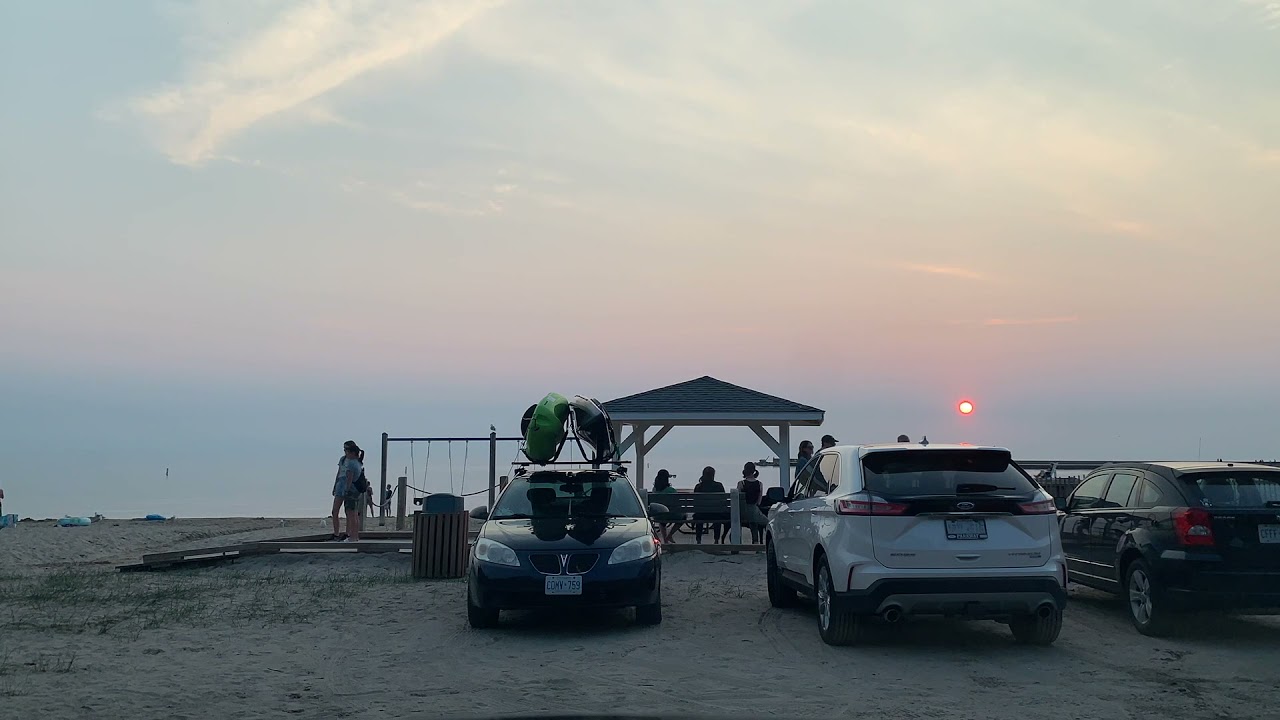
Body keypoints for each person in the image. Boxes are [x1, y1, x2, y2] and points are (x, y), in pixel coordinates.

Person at [331, 441, 364, 542]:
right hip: (341, 485)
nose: (345, 451)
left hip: (349, 488)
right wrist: (335, 485)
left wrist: (347, 489)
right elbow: (339, 472)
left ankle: (349, 534)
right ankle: (337, 533)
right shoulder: (343, 459)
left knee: (350, 512)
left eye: (346, 449)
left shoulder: (353, 463)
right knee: (336, 510)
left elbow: (350, 478)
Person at [693, 466, 727, 544]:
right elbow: (724, 501)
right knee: (718, 516)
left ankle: (698, 540)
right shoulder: (719, 486)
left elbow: (695, 502)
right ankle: (716, 539)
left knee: (698, 516)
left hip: (701, 515)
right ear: (713, 475)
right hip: (715, 515)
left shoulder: (698, 487)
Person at [737, 462, 769, 544]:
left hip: (743, 513)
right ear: (754, 471)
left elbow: (738, 500)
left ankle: (752, 541)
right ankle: (756, 542)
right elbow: (759, 502)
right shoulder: (759, 484)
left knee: (752, 518)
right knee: (768, 522)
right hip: (753, 511)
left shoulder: (741, 483)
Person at [650, 469, 682, 544]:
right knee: (683, 516)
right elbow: (677, 503)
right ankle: (669, 535)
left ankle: (665, 539)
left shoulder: (654, 490)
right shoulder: (671, 490)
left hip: (658, 516)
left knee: (662, 517)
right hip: (670, 515)